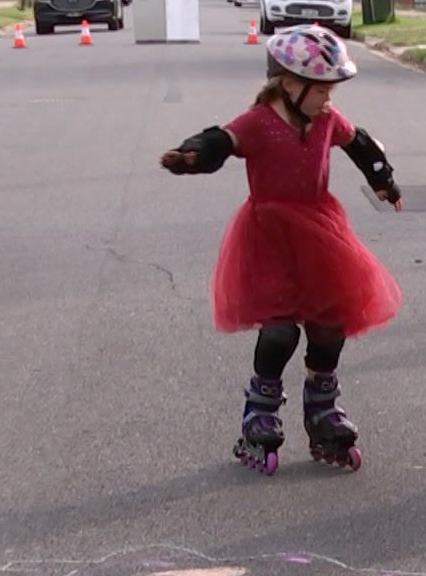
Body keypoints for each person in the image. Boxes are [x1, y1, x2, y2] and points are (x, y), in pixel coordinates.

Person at [160, 24, 405, 469]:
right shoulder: (259, 122)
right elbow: (222, 141)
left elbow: (359, 144)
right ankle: (260, 413)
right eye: (322, 89)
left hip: (320, 230)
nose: (329, 99)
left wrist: (383, 180)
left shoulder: (326, 120)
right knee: (280, 330)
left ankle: (323, 408)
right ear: (289, 84)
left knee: (329, 326)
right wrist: (191, 155)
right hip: (268, 235)